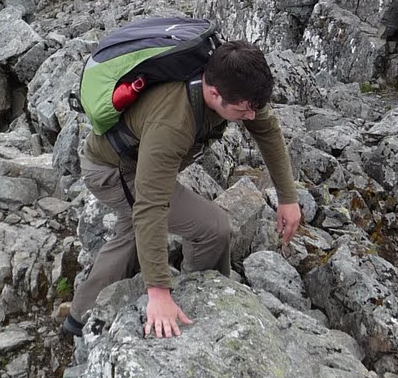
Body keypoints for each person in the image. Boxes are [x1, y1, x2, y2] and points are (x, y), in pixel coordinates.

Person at [63, 40, 301, 338]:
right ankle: (195, 293)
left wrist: (288, 198)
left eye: (254, 108)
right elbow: (151, 206)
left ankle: (78, 318)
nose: (251, 116)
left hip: (138, 160)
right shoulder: (174, 123)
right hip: (113, 171)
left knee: (132, 234)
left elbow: (268, 129)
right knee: (212, 228)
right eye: (243, 111)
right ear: (215, 94)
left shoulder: (232, 79)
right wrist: (159, 292)